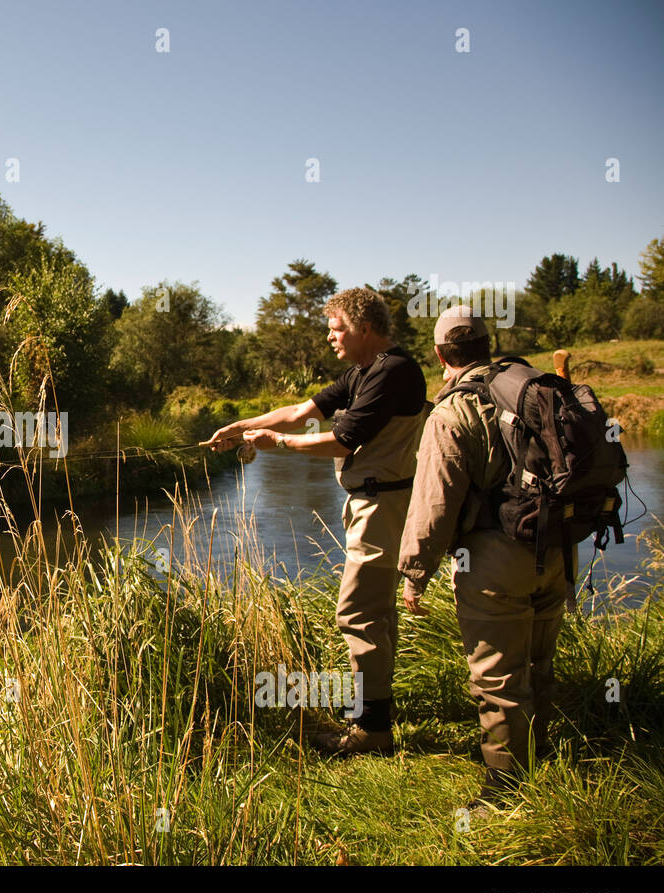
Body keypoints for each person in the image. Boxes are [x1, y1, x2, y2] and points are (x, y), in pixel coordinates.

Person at [208, 287, 428, 754]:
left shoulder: (394, 372)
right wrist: (241, 427)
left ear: (365, 328)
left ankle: (371, 731)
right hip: (370, 503)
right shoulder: (364, 372)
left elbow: (342, 441)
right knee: (375, 615)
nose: (331, 336)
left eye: (337, 328)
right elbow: (301, 412)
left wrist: (277, 443)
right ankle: (377, 720)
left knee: (358, 613)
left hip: (381, 506)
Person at [398, 304, 566, 812]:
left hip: (493, 558)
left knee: (497, 678)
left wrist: (414, 574)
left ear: (439, 353)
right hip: (555, 549)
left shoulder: (451, 412)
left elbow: (434, 503)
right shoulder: (531, 389)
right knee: (538, 660)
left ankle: (504, 792)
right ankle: (540, 759)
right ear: (487, 345)